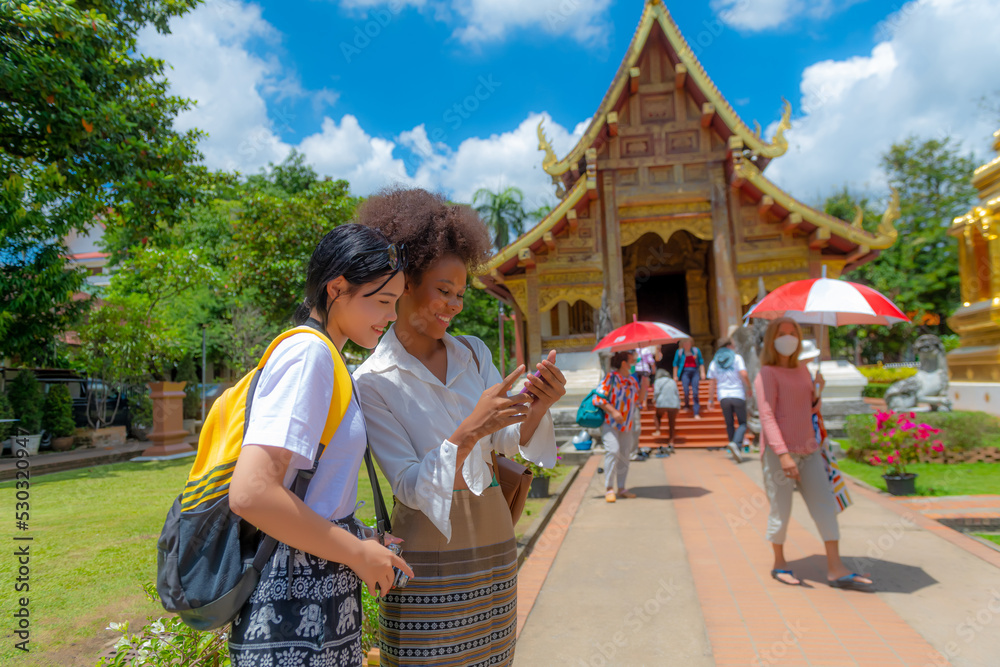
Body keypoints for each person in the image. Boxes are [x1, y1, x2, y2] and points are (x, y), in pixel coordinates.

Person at [352, 187, 565, 667]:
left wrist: (537, 404)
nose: (453, 306)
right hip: (428, 556)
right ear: (405, 284)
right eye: (443, 291)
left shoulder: (474, 353)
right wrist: (469, 430)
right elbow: (407, 484)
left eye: (460, 295)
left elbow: (509, 438)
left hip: (493, 543)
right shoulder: (373, 381)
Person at [227, 225, 414, 666]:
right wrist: (356, 551)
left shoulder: (328, 357)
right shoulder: (308, 354)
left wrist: (362, 539)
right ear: (337, 288)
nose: (391, 316)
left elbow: (306, 488)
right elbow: (252, 492)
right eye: (383, 301)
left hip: (315, 587)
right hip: (293, 598)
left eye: (396, 303)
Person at [754, 317, 874, 590]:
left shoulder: (803, 371)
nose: (788, 338)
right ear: (772, 339)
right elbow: (767, 414)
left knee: (825, 507)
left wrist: (817, 390)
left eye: (793, 333)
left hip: (810, 451)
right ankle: (779, 562)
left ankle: (835, 567)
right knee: (781, 510)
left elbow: (809, 410)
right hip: (778, 453)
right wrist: (783, 455)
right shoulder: (767, 374)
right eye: (782, 333)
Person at [593, 350, 642, 502]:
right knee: (613, 451)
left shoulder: (632, 381)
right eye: (632, 361)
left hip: (627, 424)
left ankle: (621, 488)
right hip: (610, 423)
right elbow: (597, 398)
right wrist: (613, 411)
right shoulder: (611, 378)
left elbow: (638, 400)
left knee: (625, 456)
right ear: (624, 363)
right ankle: (609, 488)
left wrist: (645, 385)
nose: (634, 364)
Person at [707, 337, 750, 463]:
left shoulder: (714, 362)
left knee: (729, 423)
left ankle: (733, 445)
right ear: (729, 346)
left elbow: (712, 383)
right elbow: (744, 374)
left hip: (723, 395)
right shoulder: (737, 358)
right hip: (737, 394)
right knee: (742, 423)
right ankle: (736, 444)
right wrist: (749, 387)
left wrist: (710, 400)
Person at [673, 337, 706, 418]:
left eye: (688, 343)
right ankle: (686, 405)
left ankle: (696, 412)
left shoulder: (696, 351)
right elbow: (675, 364)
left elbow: (701, 362)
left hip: (695, 371)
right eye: (685, 343)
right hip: (685, 372)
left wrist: (702, 372)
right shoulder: (679, 352)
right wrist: (675, 376)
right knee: (686, 390)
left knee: (695, 392)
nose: (687, 345)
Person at [652, 366, 679, 454]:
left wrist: (654, 399)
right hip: (673, 403)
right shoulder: (672, 381)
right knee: (672, 423)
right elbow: (676, 392)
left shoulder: (658, 381)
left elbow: (656, 392)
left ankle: (658, 430)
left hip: (662, 403)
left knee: (657, 415)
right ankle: (671, 441)